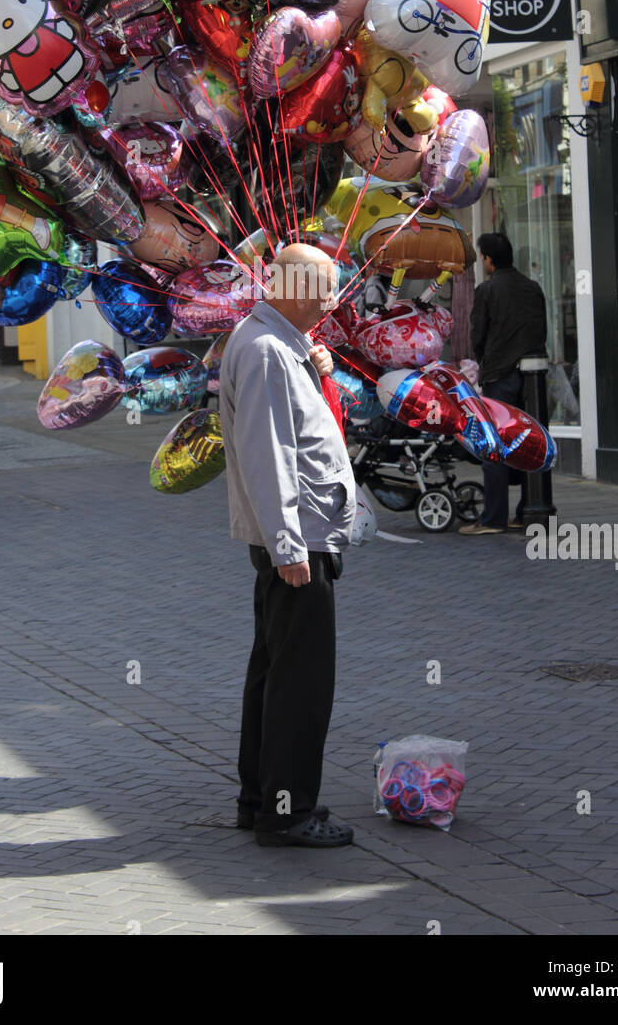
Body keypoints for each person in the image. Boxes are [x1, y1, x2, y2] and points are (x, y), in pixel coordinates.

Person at [219, 244, 357, 848]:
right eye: (326, 290)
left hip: (295, 538)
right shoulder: (267, 351)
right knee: (300, 682)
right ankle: (288, 811)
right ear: (297, 290)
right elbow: (267, 452)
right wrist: (288, 545)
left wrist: (316, 367)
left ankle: (261, 799)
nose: (333, 301)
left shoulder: (273, 344)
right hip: (299, 542)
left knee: (274, 672)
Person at [460, 232, 547, 535]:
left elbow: (478, 334)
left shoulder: (488, 290)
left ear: (487, 259)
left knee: (494, 446)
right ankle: (527, 511)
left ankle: (493, 518)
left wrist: (485, 362)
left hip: (500, 375)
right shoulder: (532, 287)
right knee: (528, 442)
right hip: (532, 377)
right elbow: (541, 329)